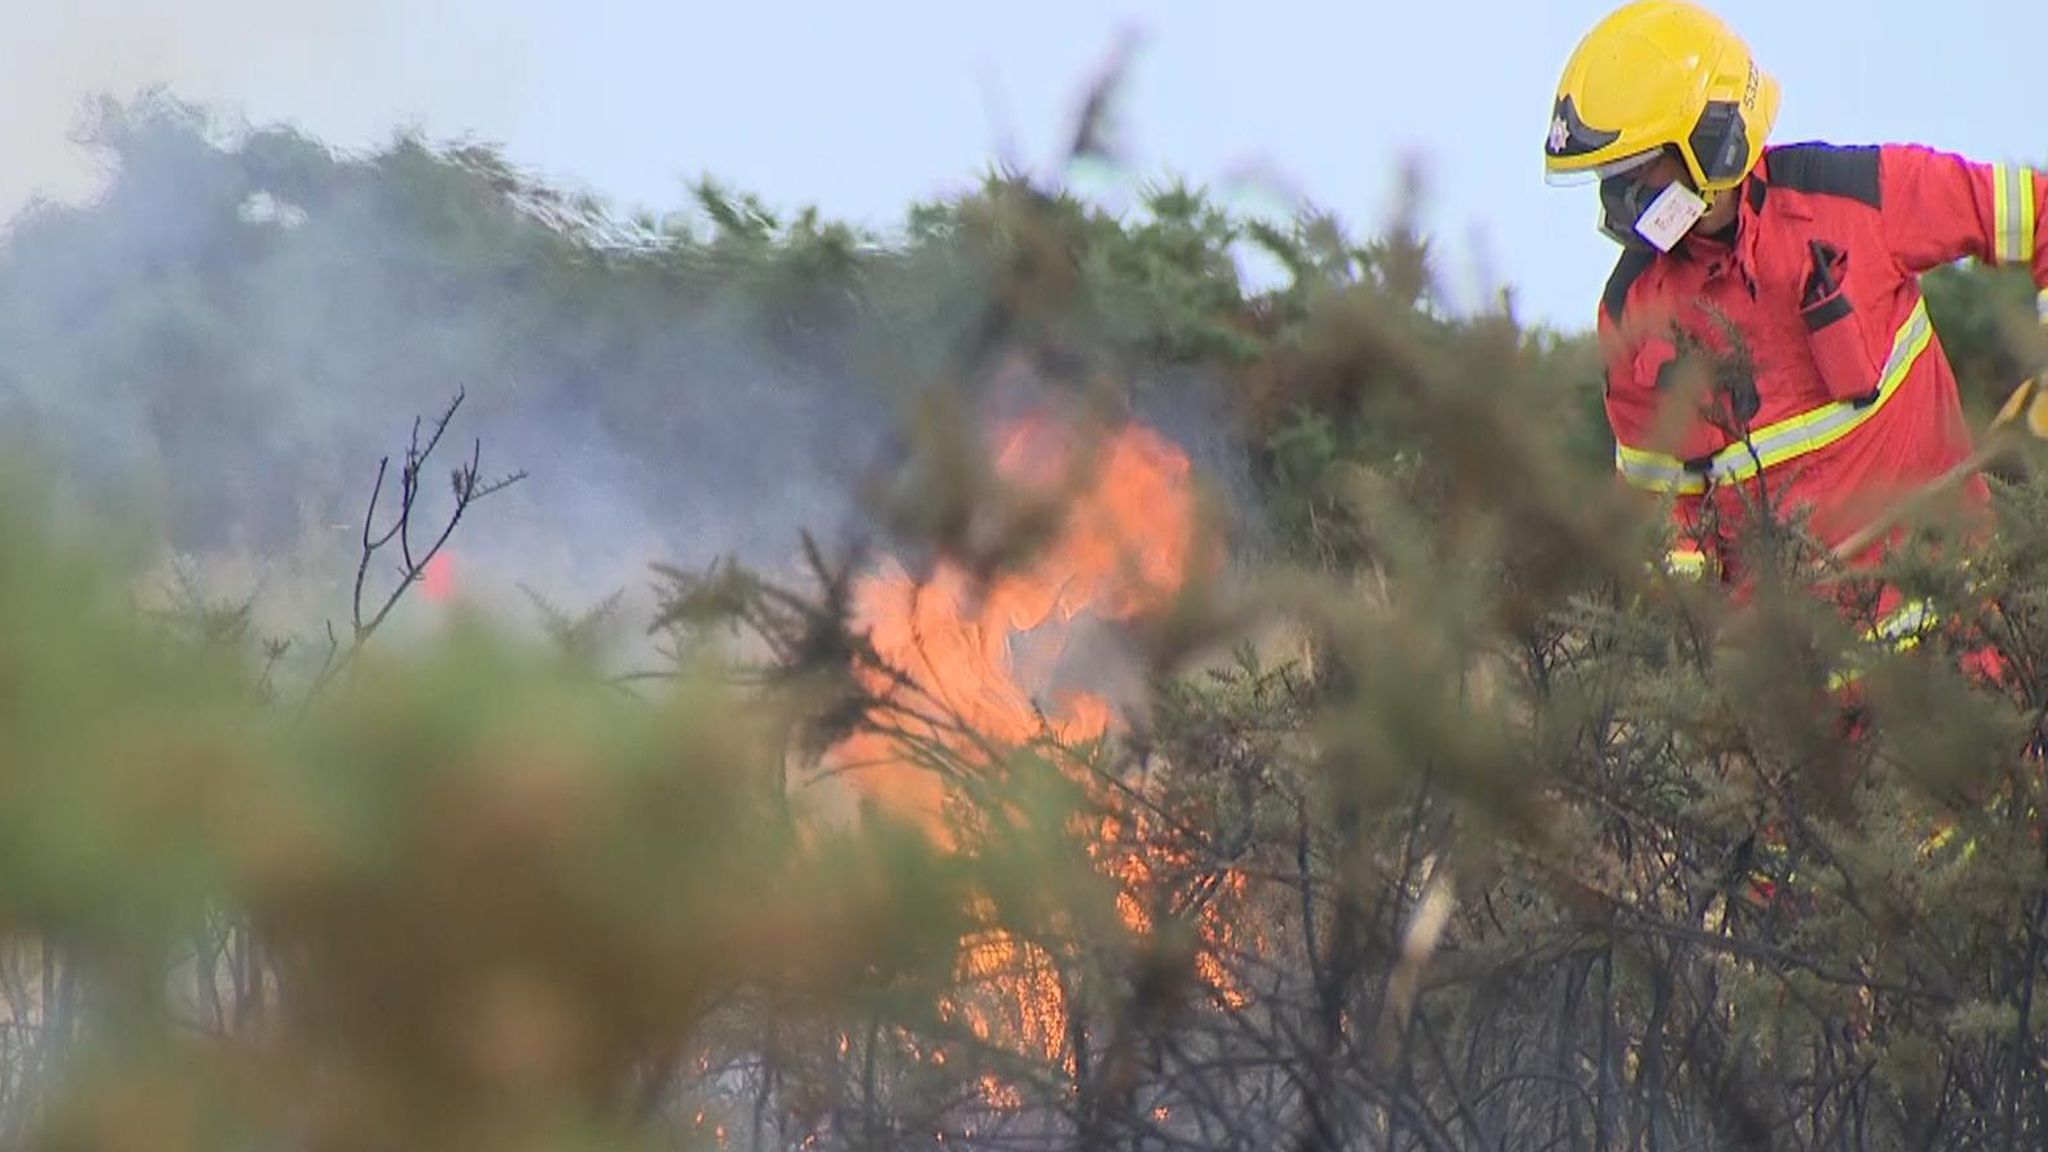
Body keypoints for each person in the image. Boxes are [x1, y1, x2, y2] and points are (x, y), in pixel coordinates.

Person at [1542, 0, 2048, 656]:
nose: (1619, 201)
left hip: (1969, 669)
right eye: (1610, 180)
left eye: (1636, 172)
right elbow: (1660, 523)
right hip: (1801, 733)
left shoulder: (1860, 200)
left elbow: (2040, 214)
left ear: (1710, 136)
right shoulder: (1630, 321)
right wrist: (1692, 607)